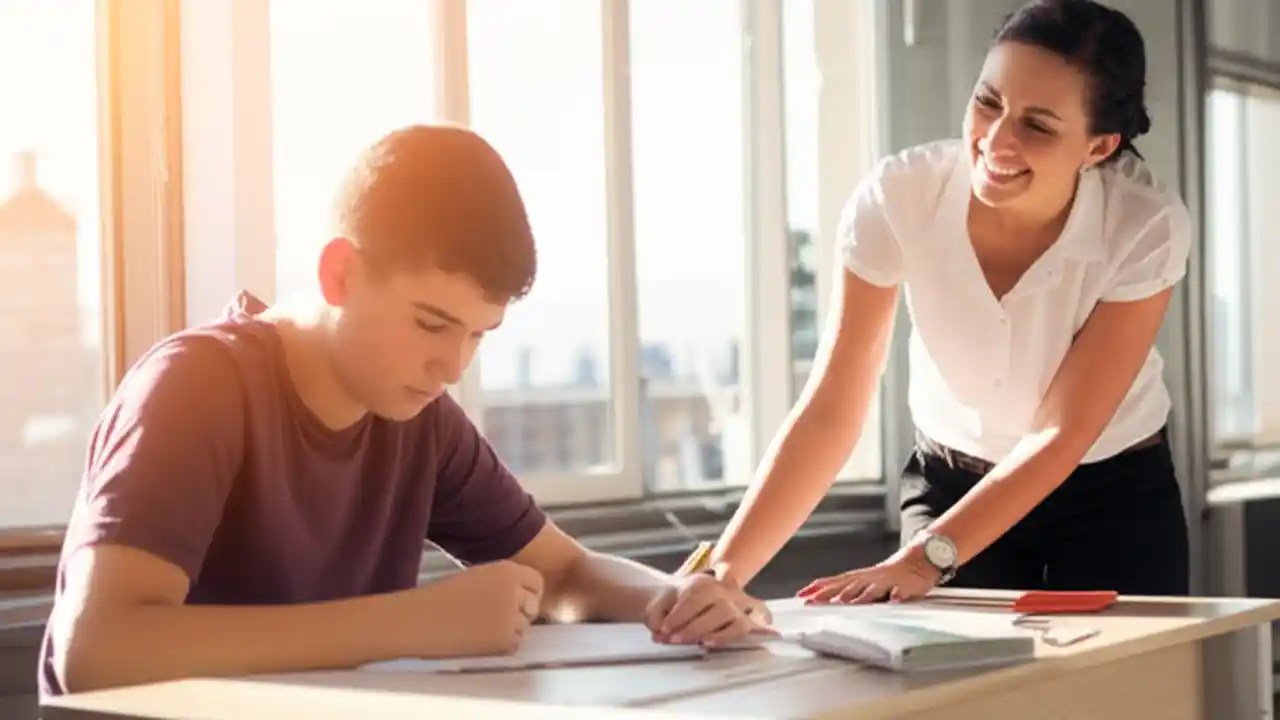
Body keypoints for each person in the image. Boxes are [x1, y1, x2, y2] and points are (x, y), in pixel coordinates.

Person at [40, 125, 766, 697]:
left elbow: (566, 577)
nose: (453, 367)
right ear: (340, 273)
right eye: (430, 324)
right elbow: (97, 651)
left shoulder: (418, 418)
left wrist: (676, 596)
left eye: (479, 336)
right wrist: (415, 623)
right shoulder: (198, 386)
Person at [700, 0, 1192, 604]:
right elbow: (833, 407)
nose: (997, 140)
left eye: (1037, 125)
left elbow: (1062, 433)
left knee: (1119, 698)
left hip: (1110, 493)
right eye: (988, 102)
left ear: (1098, 146)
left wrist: (923, 559)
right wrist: (721, 576)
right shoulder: (900, 197)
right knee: (957, 692)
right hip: (950, 484)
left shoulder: (1145, 223)